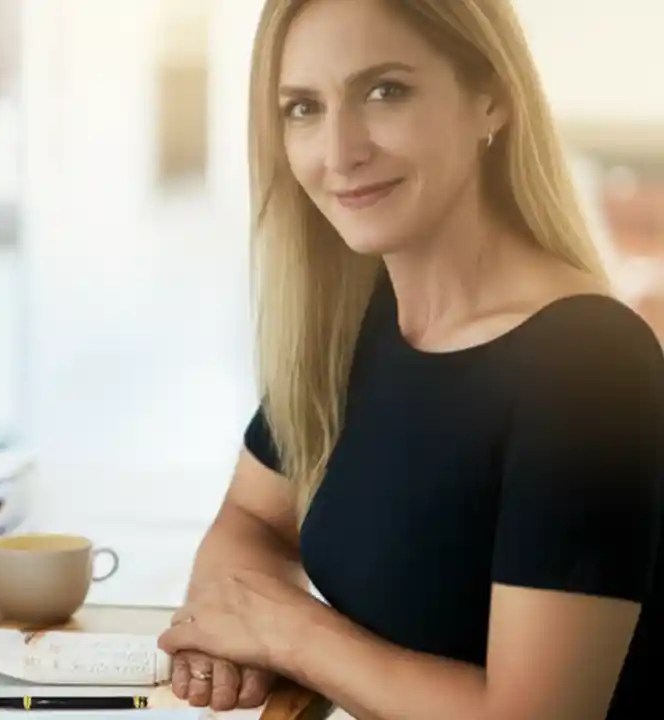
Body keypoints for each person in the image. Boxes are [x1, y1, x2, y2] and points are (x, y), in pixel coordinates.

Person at [156, 0, 664, 718]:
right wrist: (225, 633)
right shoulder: (353, 323)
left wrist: (286, 631)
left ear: (490, 96)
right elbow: (253, 517)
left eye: (384, 91)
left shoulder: (587, 366)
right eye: (303, 107)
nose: (339, 152)